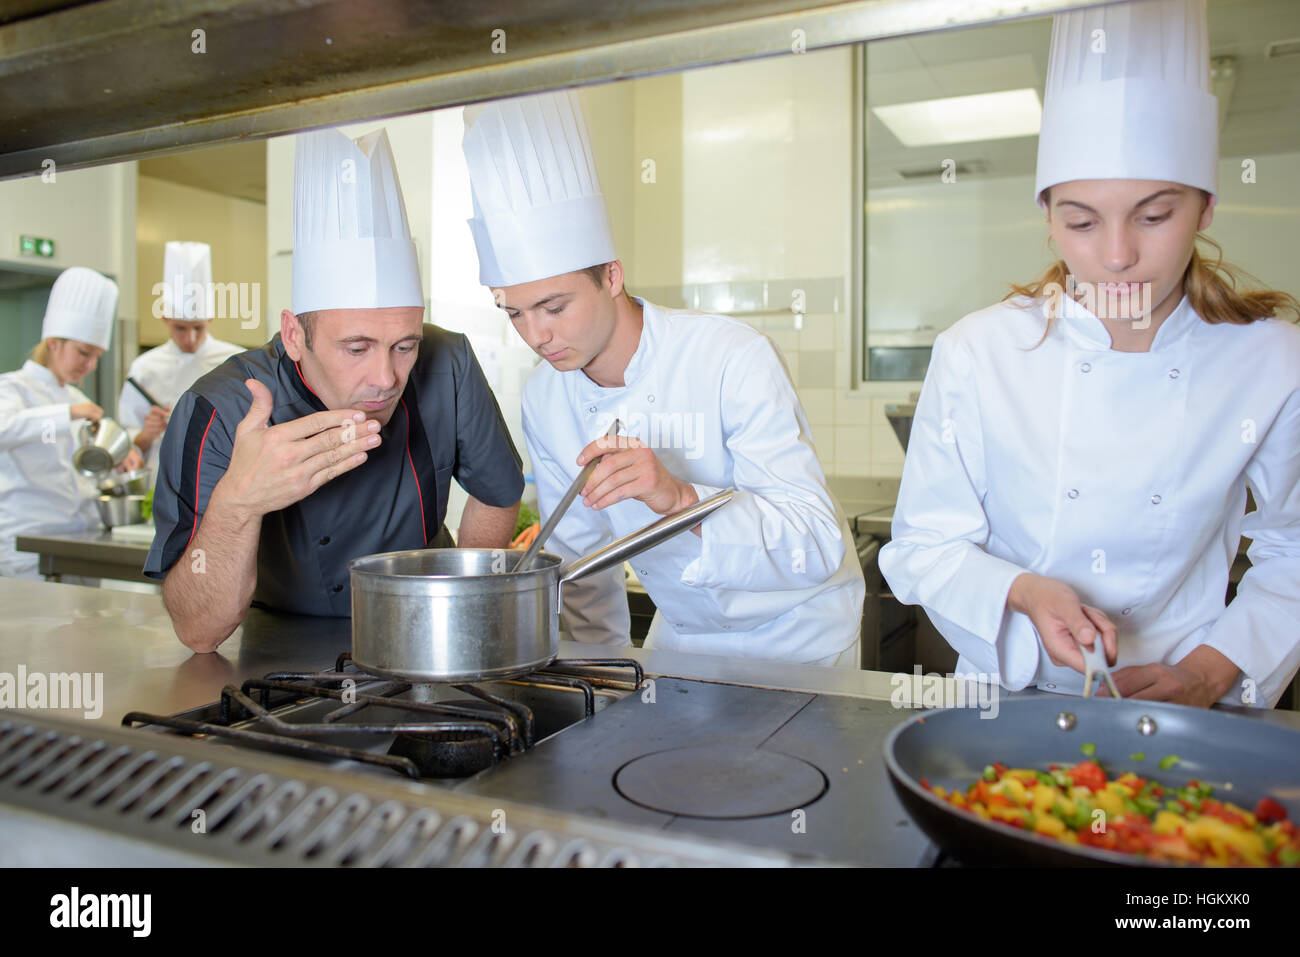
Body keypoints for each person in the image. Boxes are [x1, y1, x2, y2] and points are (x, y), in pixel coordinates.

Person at [879, 0, 1300, 708]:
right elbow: (923, 546)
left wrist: (1209, 670)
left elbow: (1294, 550)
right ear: (1047, 216)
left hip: (1179, 710)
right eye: (1081, 221)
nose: (1116, 256)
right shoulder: (980, 352)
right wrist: (1021, 590)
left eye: (1155, 215)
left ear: (1205, 205)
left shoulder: (1269, 360)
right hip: (998, 706)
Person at [461, 91, 865, 668]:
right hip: (684, 639)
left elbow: (815, 541)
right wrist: (595, 680)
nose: (536, 336)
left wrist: (678, 498)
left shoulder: (730, 356)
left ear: (611, 276)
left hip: (799, 638)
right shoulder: (546, 395)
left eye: (554, 307)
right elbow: (580, 565)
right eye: (515, 313)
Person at [145, 126, 524, 651]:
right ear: (295, 335)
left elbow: (498, 490)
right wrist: (239, 503)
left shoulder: (449, 361)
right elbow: (199, 630)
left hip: (423, 635)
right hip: (275, 652)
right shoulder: (219, 408)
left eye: (404, 345)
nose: (386, 378)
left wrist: (461, 608)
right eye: (356, 348)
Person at [0, 266, 122, 579]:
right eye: (84, 353)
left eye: (97, 356)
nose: (91, 365)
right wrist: (69, 415)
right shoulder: (12, 388)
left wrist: (118, 458)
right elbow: (6, 430)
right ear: (54, 342)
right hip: (29, 546)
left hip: (81, 541)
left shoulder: (74, 397)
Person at [117, 242, 243, 474]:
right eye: (180, 329)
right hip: (162, 478)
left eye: (198, 328)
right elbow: (126, 445)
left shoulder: (234, 361)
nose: (191, 338)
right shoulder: (144, 367)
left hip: (222, 476)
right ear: (165, 318)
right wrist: (147, 433)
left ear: (211, 319)